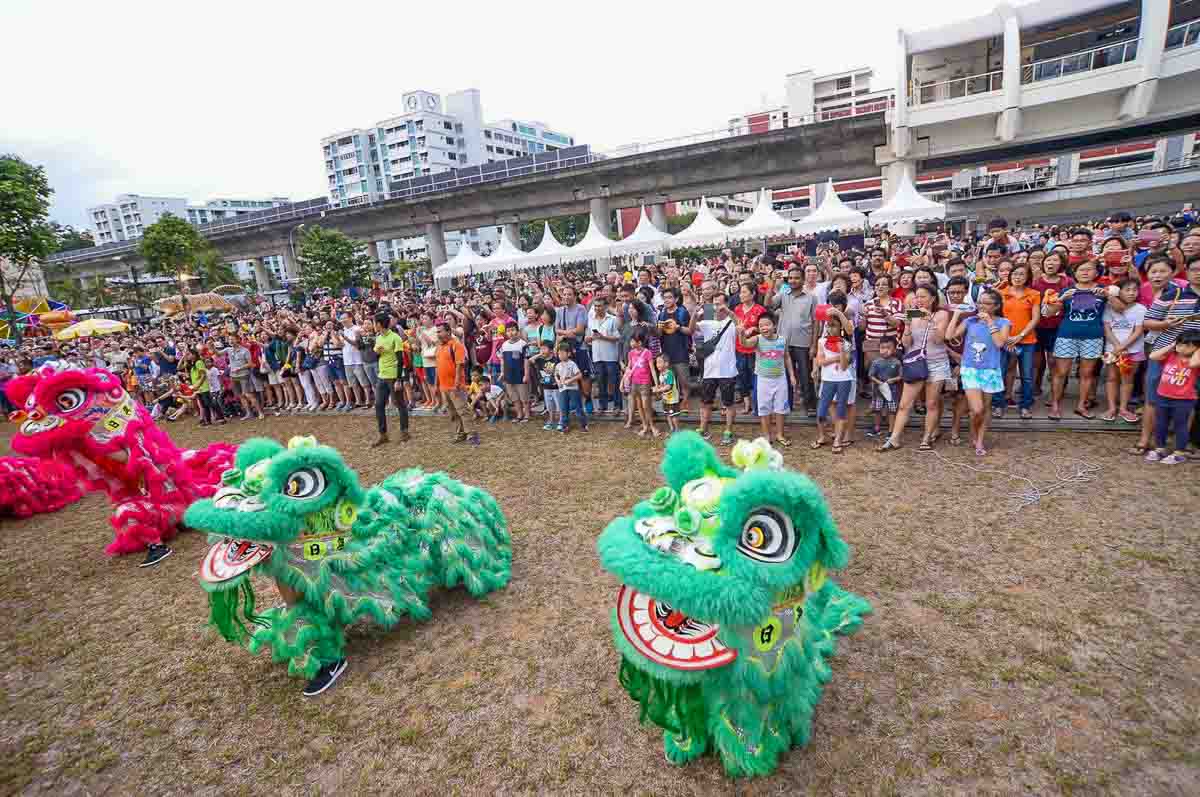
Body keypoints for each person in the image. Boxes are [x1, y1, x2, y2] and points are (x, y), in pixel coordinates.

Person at [876, 284, 950, 452]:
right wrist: (908, 326)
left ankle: (926, 437)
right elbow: (906, 343)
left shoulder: (942, 314)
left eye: (923, 296)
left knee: (931, 403)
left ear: (932, 298)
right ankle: (894, 438)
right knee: (904, 404)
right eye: (917, 296)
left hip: (936, 362)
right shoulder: (912, 314)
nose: (919, 300)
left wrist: (929, 319)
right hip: (916, 363)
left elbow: (939, 340)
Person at [947, 289, 1010, 456]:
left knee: (986, 408)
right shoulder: (970, 321)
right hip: (970, 369)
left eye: (987, 303)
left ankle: (979, 439)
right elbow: (949, 335)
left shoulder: (1004, 322)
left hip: (991, 369)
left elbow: (999, 344)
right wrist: (955, 315)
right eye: (980, 302)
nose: (982, 306)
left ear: (996, 306)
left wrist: (990, 322)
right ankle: (973, 432)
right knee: (977, 409)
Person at [1046, 260, 1107, 420]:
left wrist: (1109, 296)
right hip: (1067, 335)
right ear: (1075, 273)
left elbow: (1120, 308)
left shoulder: (1102, 291)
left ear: (1096, 272)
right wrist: (1061, 298)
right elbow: (1049, 312)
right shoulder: (1067, 291)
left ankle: (1081, 405)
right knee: (1060, 372)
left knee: (1087, 373)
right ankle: (1055, 404)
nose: (1085, 272)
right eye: (1081, 270)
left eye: (1089, 269)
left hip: (1093, 336)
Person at [688, 292, 738, 446]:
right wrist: (695, 315)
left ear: (727, 304)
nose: (717, 307)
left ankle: (728, 431)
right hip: (710, 369)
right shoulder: (708, 323)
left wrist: (728, 311)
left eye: (720, 303)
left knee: (728, 402)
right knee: (705, 401)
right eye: (715, 304)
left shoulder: (731, 322)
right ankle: (703, 428)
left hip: (727, 370)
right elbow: (691, 330)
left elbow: (740, 323)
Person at [769, 266, 818, 416]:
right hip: (783, 343)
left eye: (796, 278)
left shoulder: (811, 297)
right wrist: (772, 283)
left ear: (803, 280)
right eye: (790, 278)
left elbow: (816, 322)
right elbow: (768, 304)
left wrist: (814, 345)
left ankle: (810, 406)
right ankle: (786, 405)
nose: (793, 280)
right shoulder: (783, 295)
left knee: (805, 376)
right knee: (783, 376)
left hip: (803, 343)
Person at [740, 311, 795, 447]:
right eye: (761, 326)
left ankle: (780, 434)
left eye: (767, 325)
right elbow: (745, 344)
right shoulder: (758, 339)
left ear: (774, 325)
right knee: (764, 408)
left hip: (780, 379)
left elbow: (787, 357)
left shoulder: (782, 340)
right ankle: (766, 435)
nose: (764, 328)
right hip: (763, 379)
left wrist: (792, 375)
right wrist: (741, 333)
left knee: (781, 408)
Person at [1145, 330, 1200, 463]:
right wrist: (1172, 345)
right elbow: (1153, 356)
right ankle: (1160, 449)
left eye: (1188, 345)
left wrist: (1199, 350)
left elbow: (1193, 364)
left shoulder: (1195, 361)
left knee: (1180, 425)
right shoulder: (1171, 356)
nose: (1182, 348)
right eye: (1180, 344)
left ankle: (1179, 453)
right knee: (1161, 424)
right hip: (1163, 396)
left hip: (1183, 400)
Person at [995, 263, 1041, 420]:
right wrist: (1005, 336)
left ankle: (1025, 406)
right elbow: (996, 317)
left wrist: (1020, 336)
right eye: (1014, 274)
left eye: (1022, 274)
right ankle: (998, 405)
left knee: (1027, 374)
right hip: (1004, 339)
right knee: (1000, 372)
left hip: (1026, 339)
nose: (1017, 277)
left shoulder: (1034, 294)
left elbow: (1035, 318)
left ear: (1028, 277)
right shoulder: (1001, 293)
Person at [1101, 279, 1146, 423]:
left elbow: (1138, 331)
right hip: (1112, 350)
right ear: (1118, 291)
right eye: (1127, 289)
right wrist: (1116, 346)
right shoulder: (1109, 307)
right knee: (1112, 378)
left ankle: (1124, 408)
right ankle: (1112, 407)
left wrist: (1123, 347)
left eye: (1134, 290)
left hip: (1133, 351)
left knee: (1127, 380)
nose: (1132, 293)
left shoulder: (1140, 309)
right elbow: (1107, 329)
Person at [1032, 250, 1073, 397]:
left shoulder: (1067, 282)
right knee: (1037, 361)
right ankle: (1035, 385)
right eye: (1048, 260)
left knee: (1054, 360)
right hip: (1037, 326)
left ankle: (1057, 390)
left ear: (1061, 264)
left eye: (1055, 260)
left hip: (1058, 326)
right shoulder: (1035, 280)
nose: (1051, 263)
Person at [813, 311, 853, 453]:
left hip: (844, 379)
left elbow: (843, 366)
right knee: (821, 411)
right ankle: (822, 436)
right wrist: (835, 358)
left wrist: (841, 352)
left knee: (841, 410)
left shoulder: (846, 343)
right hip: (828, 379)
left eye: (834, 326)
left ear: (840, 327)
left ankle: (838, 440)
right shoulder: (821, 342)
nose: (830, 328)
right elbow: (820, 362)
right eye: (828, 325)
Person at [370, 312, 410, 448]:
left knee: (400, 403)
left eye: (374, 322)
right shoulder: (378, 338)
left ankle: (405, 431)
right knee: (379, 405)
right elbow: (376, 356)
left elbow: (400, 360)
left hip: (393, 376)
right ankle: (383, 434)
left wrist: (399, 379)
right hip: (382, 375)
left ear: (380, 324)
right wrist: (377, 353)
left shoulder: (395, 338)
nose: (373, 325)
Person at [435, 320, 475, 443]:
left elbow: (460, 365)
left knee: (463, 411)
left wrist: (457, 383)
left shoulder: (456, 345)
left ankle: (471, 434)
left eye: (440, 331)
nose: (438, 334)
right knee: (452, 413)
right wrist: (437, 385)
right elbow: (438, 366)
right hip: (444, 387)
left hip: (455, 386)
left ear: (448, 331)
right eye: (437, 332)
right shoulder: (439, 346)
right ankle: (460, 433)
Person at [656, 286, 695, 408]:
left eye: (669, 297)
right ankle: (673, 403)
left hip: (681, 350)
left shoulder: (682, 312)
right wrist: (658, 329)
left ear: (676, 298)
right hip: (667, 352)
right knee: (669, 380)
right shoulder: (662, 314)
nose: (666, 300)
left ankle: (686, 402)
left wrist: (678, 327)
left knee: (684, 380)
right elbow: (658, 334)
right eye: (665, 297)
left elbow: (689, 331)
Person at [732, 283, 766, 415]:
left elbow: (766, 328)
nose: (741, 295)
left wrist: (755, 329)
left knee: (755, 377)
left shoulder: (760, 310)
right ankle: (747, 405)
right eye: (741, 292)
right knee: (741, 377)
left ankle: (758, 405)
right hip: (739, 348)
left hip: (754, 349)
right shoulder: (737, 309)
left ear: (753, 294)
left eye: (745, 292)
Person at [586, 295, 621, 415]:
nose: (597, 308)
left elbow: (617, 337)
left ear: (605, 306)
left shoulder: (612, 319)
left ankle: (617, 405)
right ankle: (602, 405)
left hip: (611, 355)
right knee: (600, 382)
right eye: (595, 306)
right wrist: (590, 338)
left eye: (600, 306)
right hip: (597, 355)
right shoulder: (591, 320)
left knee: (614, 381)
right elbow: (587, 338)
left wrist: (603, 337)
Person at [623, 329, 658, 438]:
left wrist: (656, 384)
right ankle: (645, 426)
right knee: (639, 406)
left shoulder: (647, 353)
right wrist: (624, 378)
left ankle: (652, 426)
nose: (631, 343)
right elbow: (629, 367)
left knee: (646, 405)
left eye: (633, 341)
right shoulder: (631, 353)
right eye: (631, 341)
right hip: (634, 383)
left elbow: (652, 369)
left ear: (640, 342)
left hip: (645, 383)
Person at [867, 336, 901, 439]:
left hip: (892, 391)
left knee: (892, 411)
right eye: (882, 347)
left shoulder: (897, 362)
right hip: (879, 391)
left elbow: (901, 376)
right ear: (879, 348)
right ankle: (876, 428)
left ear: (894, 349)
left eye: (888, 348)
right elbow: (870, 375)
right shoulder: (876, 362)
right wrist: (879, 382)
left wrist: (893, 380)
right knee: (877, 410)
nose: (885, 350)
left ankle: (891, 430)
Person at [554, 340, 588, 433]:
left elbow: (579, 375)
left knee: (577, 407)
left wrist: (570, 380)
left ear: (568, 353)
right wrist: (558, 382)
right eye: (558, 353)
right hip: (562, 389)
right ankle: (565, 425)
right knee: (563, 408)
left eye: (562, 353)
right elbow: (556, 375)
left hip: (573, 389)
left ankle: (583, 424)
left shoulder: (572, 364)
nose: (560, 355)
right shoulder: (558, 365)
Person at [498, 324, 530, 423]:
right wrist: (502, 372)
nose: (511, 333)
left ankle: (527, 415)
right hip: (508, 375)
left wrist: (526, 374)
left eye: (513, 330)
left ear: (518, 331)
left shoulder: (523, 344)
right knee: (514, 397)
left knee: (524, 397)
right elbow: (502, 360)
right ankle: (519, 414)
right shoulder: (504, 345)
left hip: (520, 374)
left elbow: (526, 360)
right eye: (508, 331)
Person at [340, 312, 371, 409]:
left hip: (357, 360)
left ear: (350, 318)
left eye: (344, 318)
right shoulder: (343, 330)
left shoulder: (357, 329)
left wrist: (345, 338)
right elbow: (341, 345)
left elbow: (356, 344)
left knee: (364, 382)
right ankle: (358, 401)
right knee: (353, 383)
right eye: (341, 319)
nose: (342, 321)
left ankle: (368, 400)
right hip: (347, 361)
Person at [530, 339, 559, 431]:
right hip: (546, 387)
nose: (542, 350)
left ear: (551, 350)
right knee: (550, 406)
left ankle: (560, 421)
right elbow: (530, 360)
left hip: (556, 387)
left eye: (544, 348)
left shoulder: (555, 360)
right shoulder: (539, 360)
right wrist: (540, 354)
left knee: (558, 405)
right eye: (541, 348)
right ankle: (551, 421)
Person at [652, 351, 681, 433]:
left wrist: (658, 390)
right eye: (657, 362)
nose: (657, 365)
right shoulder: (661, 374)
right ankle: (671, 428)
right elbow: (662, 385)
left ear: (666, 364)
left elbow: (668, 386)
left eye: (660, 362)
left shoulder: (669, 373)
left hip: (672, 399)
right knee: (667, 414)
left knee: (673, 415)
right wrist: (657, 388)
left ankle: (677, 429)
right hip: (665, 399)